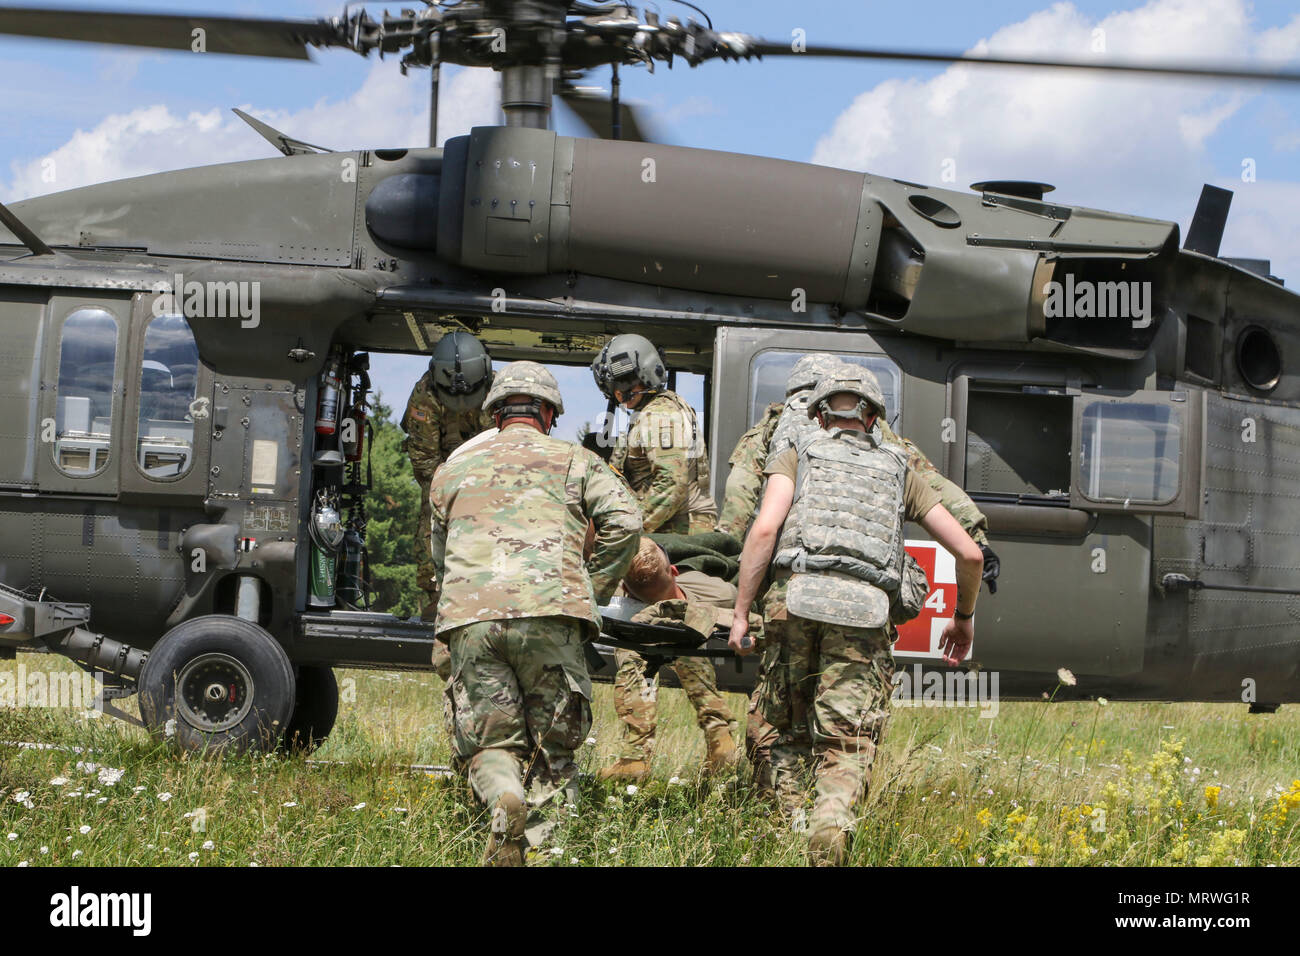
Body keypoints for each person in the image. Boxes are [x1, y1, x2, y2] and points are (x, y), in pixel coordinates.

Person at [729, 369, 984, 865]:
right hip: (864, 613)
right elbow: (969, 555)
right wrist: (963, 617)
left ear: (819, 415)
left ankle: (783, 830)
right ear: (872, 418)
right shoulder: (899, 467)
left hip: (792, 600)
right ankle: (828, 822)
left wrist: (741, 613)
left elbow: (763, 531)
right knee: (847, 738)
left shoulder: (796, 450)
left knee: (779, 725)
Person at [429, 361, 641, 865]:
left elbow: (440, 557)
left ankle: (506, 795)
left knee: (489, 742)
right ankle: (544, 852)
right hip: (551, 614)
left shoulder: (451, 470)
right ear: (548, 412)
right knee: (553, 750)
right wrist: (595, 585)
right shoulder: (576, 460)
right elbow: (626, 519)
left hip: (472, 621)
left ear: (496, 413)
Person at [600, 538, 739, 782]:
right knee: (684, 641)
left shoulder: (616, 599)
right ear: (674, 570)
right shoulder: (721, 593)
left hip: (642, 638)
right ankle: (720, 736)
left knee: (634, 651)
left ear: (626, 590)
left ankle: (634, 756)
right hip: (699, 642)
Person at [402, 331, 494, 678]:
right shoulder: (425, 395)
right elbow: (424, 461)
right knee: (431, 542)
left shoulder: (497, 390)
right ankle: (435, 618)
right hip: (442, 485)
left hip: (491, 488)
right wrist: (453, 495)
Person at [592, 333, 717, 534]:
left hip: (675, 532)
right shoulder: (657, 410)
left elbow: (671, 484)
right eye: (614, 387)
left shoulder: (659, 415)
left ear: (647, 373)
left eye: (626, 383)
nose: (620, 393)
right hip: (669, 528)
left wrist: (626, 533)